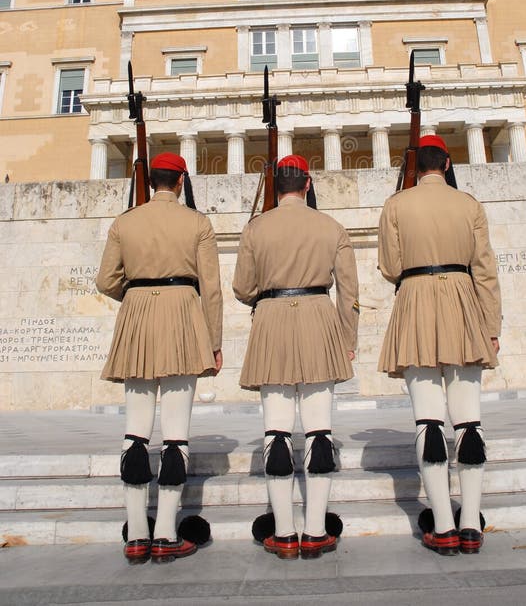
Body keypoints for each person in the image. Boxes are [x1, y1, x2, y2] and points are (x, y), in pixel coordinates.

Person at [377, 134, 502, 555]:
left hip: (415, 299)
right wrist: (491, 326)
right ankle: (470, 524)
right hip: (464, 302)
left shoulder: (396, 205)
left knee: (427, 421)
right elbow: (485, 270)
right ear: (447, 164)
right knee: (469, 420)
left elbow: (391, 267)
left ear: (414, 167)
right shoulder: (469, 204)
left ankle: (443, 525)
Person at [97, 152, 223, 565]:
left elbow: (105, 280)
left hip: (136, 317)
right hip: (183, 314)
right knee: (175, 433)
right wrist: (215, 340)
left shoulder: (124, 221)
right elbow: (212, 288)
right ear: (182, 180)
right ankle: (167, 534)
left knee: (135, 431)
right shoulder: (197, 222)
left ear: (151, 182)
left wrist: (134, 296)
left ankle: (136, 536)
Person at [233, 154, 359, 561]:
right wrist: (347, 337)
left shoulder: (256, 228)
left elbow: (241, 287)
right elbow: (350, 293)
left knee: (277, 432)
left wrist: (268, 297)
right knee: (320, 430)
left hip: (272, 321)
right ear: (307, 185)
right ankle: (317, 530)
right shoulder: (332, 227)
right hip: (320, 319)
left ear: (276, 188)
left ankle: (284, 533)